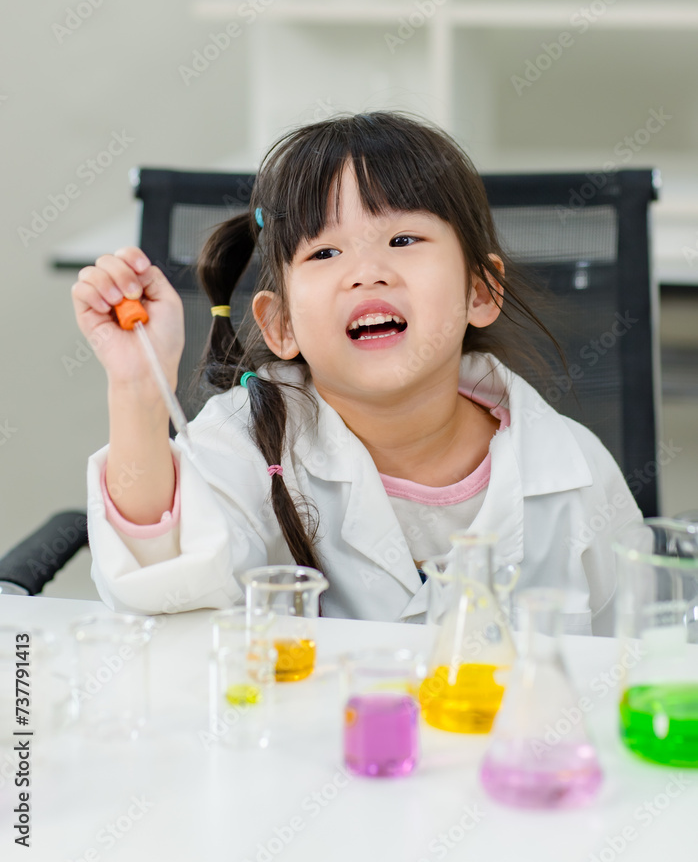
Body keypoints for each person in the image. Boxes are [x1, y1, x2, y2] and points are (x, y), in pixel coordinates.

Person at [72, 111, 642, 634]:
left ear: (480, 291)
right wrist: (138, 389)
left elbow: (641, 652)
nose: (368, 272)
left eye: (403, 239)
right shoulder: (243, 442)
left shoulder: (574, 469)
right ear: (281, 325)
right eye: (324, 253)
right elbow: (160, 588)